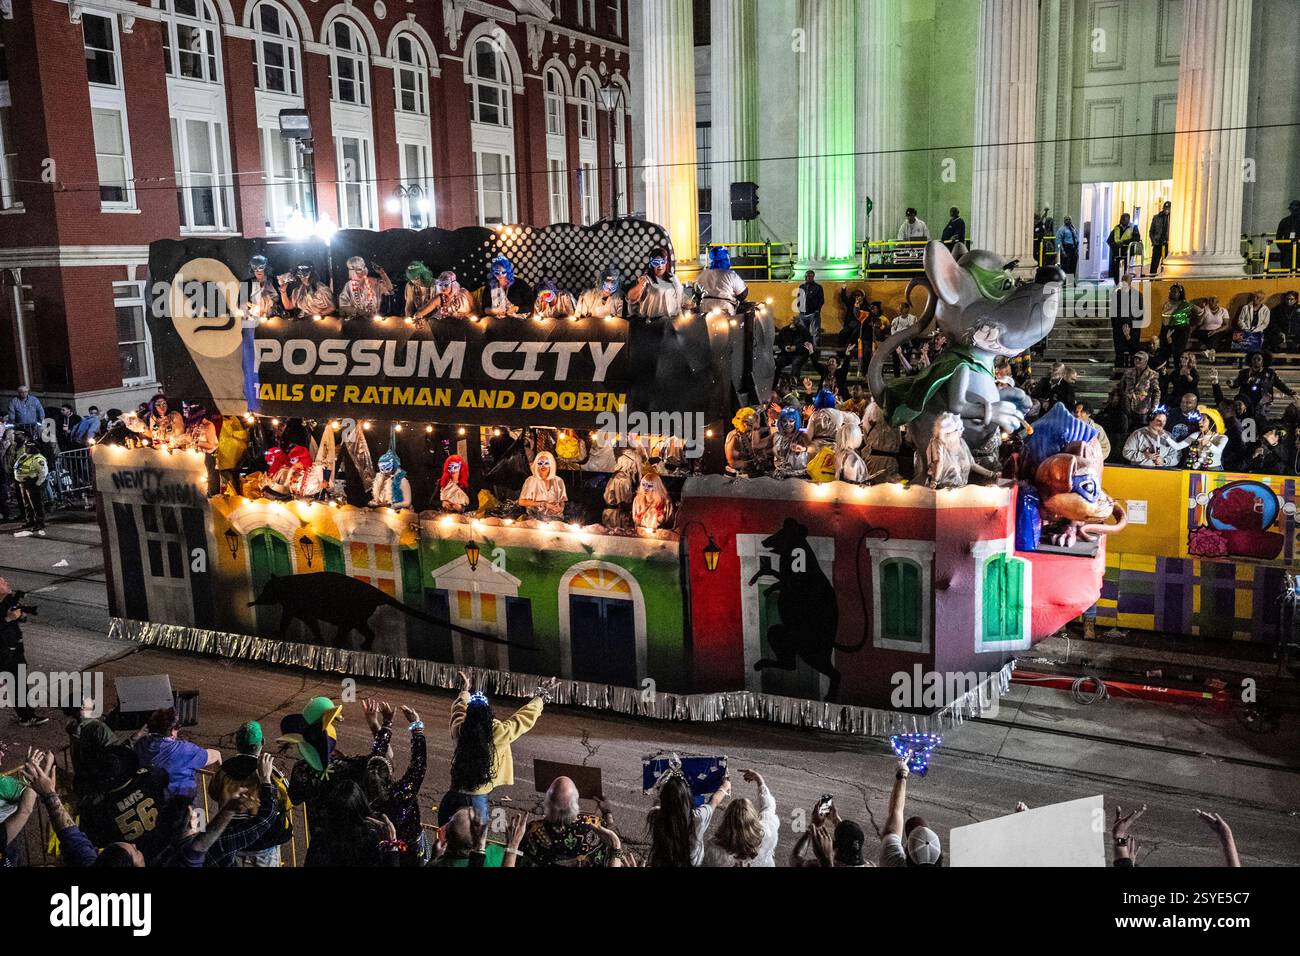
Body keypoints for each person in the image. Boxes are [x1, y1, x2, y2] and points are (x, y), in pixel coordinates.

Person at [447, 672, 554, 823]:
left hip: (455, 792)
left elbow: (459, 709)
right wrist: (540, 698)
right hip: (478, 798)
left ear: (469, 714)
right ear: (488, 714)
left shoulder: (459, 727)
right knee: (476, 839)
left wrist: (465, 691)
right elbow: (523, 718)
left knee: (446, 833)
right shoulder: (498, 732)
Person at [361, 699, 428, 865]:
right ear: (389, 774)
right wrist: (416, 727)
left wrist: (384, 725)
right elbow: (418, 765)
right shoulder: (401, 794)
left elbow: (377, 756)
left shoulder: (360, 796)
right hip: (409, 853)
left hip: (376, 854)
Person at [515, 777, 621, 867]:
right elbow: (612, 838)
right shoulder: (595, 828)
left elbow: (519, 859)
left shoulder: (531, 831)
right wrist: (607, 812)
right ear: (576, 805)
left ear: (546, 804)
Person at [133, 707, 222, 804]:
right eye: (177, 729)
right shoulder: (184, 750)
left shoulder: (141, 744)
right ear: (172, 730)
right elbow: (216, 755)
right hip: (177, 806)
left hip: (148, 802)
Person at [645, 771, 726, 867]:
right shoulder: (698, 817)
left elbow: (658, 800)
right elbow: (714, 800)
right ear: (688, 798)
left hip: (663, 861)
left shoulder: (655, 815)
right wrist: (725, 786)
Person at [702, 768, 778, 867]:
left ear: (726, 820)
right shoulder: (768, 833)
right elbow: (768, 806)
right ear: (753, 817)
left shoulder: (715, 849)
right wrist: (759, 779)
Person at [880, 755, 943, 866]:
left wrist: (902, 774)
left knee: (915, 822)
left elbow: (895, 816)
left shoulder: (893, 861)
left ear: (906, 852)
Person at [1, 578, 47, 726]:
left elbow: (21, 619)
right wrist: (7, 619)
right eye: (1, 582)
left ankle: (27, 716)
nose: (7, 582)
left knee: (19, 683)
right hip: (2, 654)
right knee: (15, 683)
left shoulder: (8, 600)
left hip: (15, 650)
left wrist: (21, 617)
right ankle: (26, 716)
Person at [626, 247, 684, 318]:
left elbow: (681, 295)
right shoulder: (646, 279)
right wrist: (641, 285)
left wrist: (687, 303)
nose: (660, 266)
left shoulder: (673, 277)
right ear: (651, 264)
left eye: (662, 262)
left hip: (675, 320)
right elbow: (631, 298)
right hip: (654, 323)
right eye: (656, 263)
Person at [696, 246, 749, 316]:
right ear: (726, 259)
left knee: (704, 326)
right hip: (725, 307)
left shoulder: (703, 274)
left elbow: (698, 293)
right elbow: (743, 293)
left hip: (705, 306)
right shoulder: (730, 274)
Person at [12, 441, 48, 537]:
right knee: (27, 504)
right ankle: (30, 521)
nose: (25, 448)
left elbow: (43, 473)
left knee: (36, 504)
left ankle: (40, 523)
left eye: (27, 447)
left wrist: (37, 484)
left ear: (32, 448)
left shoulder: (38, 459)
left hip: (33, 484)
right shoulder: (25, 456)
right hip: (23, 483)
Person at [518, 450, 566, 517]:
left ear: (551, 464)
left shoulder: (558, 481)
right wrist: (543, 504)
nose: (543, 466)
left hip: (555, 519)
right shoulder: (531, 480)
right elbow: (521, 502)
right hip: (534, 519)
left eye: (546, 463)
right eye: (540, 463)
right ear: (536, 465)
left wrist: (560, 508)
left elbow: (562, 501)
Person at [1110, 273, 1143, 368]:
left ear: (1130, 282)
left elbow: (1140, 313)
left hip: (1133, 329)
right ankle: (1119, 370)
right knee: (1119, 351)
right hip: (1119, 328)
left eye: (1126, 281)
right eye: (1123, 281)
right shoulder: (1116, 295)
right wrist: (1116, 326)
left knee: (1133, 351)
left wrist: (1133, 327)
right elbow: (1113, 312)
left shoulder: (1137, 295)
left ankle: (1134, 369)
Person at [1120, 351, 1161, 423]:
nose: (1136, 360)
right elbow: (1121, 386)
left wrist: (1154, 408)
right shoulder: (1128, 372)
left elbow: (1156, 392)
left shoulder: (1152, 374)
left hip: (1143, 407)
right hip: (1127, 405)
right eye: (1135, 358)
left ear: (1146, 361)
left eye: (1139, 359)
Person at [1106, 212, 1140, 284]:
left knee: (1123, 270)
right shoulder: (1117, 228)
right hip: (1116, 253)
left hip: (1126, 253)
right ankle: (1117, 284)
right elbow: (1109, 240)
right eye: (1121, 219)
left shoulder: (1133, 227)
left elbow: (1136, 238)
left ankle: (1122, 285)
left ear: (1128, 220)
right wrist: (1114, 245)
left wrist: (1124, 242)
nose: (1121, 221)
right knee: (1115, 270)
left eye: (1124, 219)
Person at [246, 255, 283, 319]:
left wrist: (277, 306)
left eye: (261, 267)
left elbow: (283, 300)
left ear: (265, 267)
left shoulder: (275, 281)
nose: (258, 270)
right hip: (254, 318)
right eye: (255, 267)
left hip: (273, 318)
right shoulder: (247, 283)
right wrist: (246, 303)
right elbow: (239, 304)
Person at [794, 270, 825, 343]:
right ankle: (805, 349)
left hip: (813, 313)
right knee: (804, 333)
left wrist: (817, 310)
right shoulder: (802, 286)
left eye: (808, 276)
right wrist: (799, 308)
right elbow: (799, 298)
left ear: (812, 277)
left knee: (816, 333)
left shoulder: (818, 287)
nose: (806, 277)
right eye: (805, 276)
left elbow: (821, 300)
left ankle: (815, 350)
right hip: (803, 313)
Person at [1274, 199, 1300, 273]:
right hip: (1287, 252)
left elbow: (1278, 237)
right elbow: (1278, 237)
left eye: (1296, 210)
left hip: (1296, 252)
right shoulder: (1284, 221)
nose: (1294, 211)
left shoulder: (1284, 221)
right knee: (1285, 272)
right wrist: (1283, 249)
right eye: (1292, 209)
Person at [1148, 201, 1171, 274]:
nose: (1167, 210)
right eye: (1165, 208)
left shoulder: (1173, 219)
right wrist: (1153, 241)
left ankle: (1163, 278)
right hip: (1157, 244)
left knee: (1166, 265)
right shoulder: (1157, 217)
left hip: (1168, 245)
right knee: (1154, 264)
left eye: (1168, 208)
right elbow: (1151, 231)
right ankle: (1152, 280)